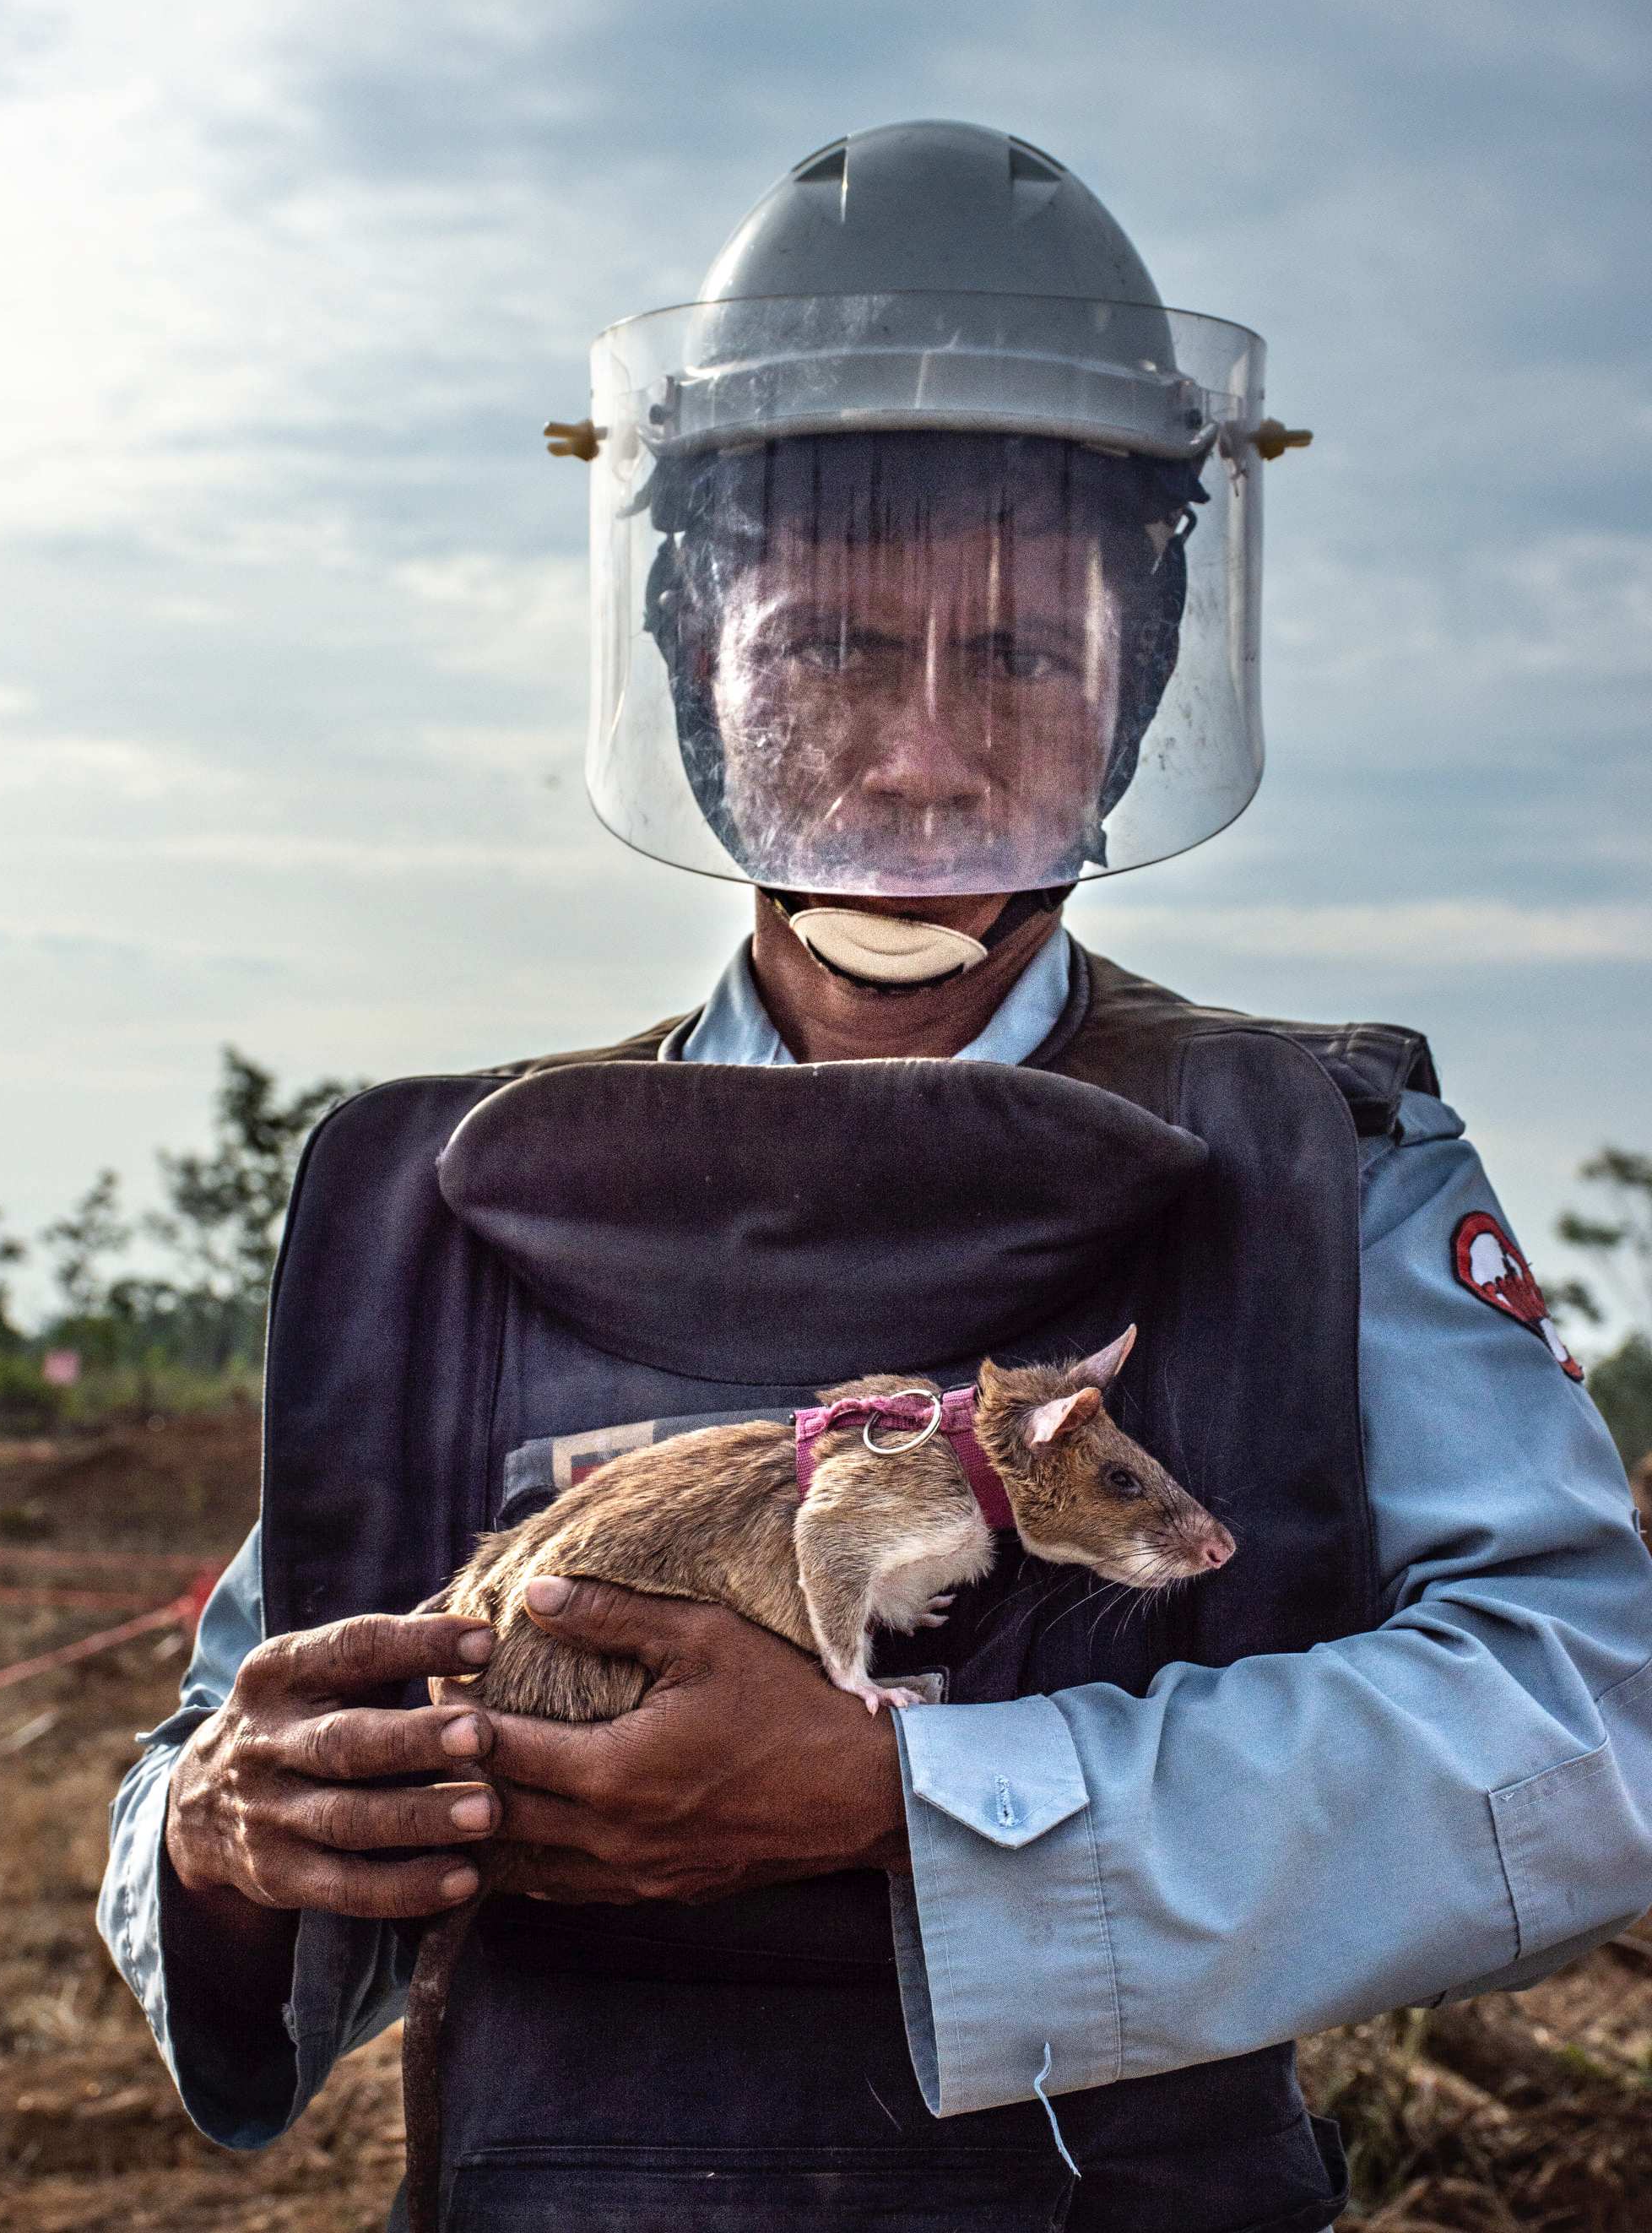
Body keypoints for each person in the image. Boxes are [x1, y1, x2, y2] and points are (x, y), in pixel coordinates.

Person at [100, 122, 1652, 2233]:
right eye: (830, 647)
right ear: (696, 675)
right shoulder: (436, 1203)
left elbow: (1587, 1727)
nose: (918, 759)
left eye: (1015, 655)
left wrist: (924, 1802)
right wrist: (221, 1830)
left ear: (1133, 693)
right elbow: (216, 1753)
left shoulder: (1322, 1167)